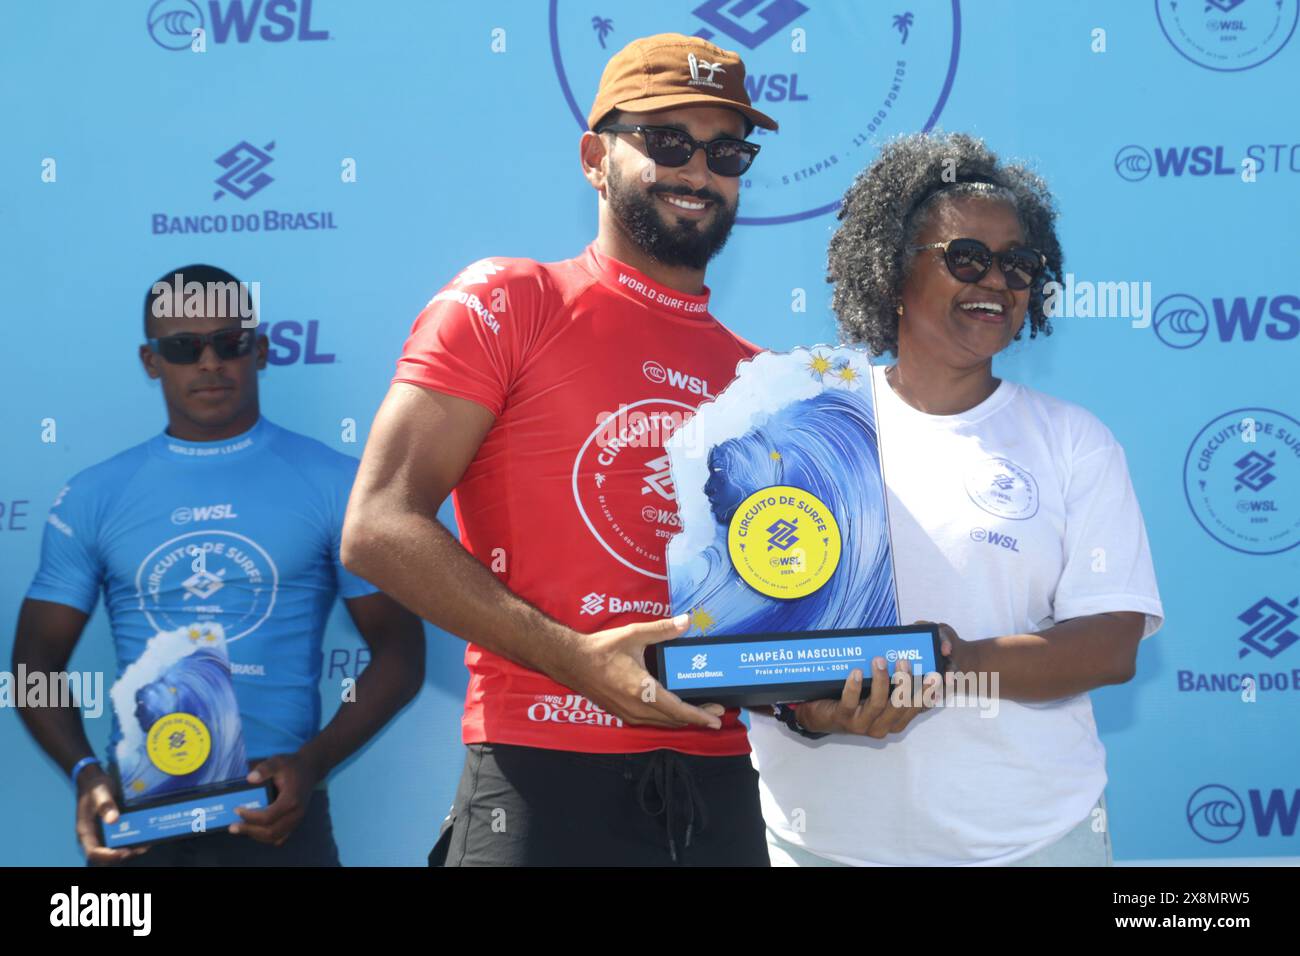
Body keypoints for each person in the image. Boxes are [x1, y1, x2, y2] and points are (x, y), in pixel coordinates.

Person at [343, 33, 813, 866]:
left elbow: (775, 603)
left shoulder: (763, 379)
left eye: (725, 151)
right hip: (539, 775)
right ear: (596, 157)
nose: (698, 171)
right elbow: (377, 524)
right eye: (666, 142)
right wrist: (579, 662)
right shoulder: (510, 300)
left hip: (722, 787)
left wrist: (827, 690)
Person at [751, 132, 1164, 866]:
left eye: (1019, 263)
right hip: (822, 843)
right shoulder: (796, 433)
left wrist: (951, 661)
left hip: (1032, 842)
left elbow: (1112, 642)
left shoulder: (1074, 441)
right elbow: (748, 640)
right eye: (966, 257)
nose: (996, 280)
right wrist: (807, 713)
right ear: (889, 275)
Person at [13, 264, 425, 866]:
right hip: (139, 823)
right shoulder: (93, 495)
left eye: (227, 343)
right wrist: (83, 773)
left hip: (277, 813)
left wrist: (311, 763)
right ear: (151, 361)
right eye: (183, 347)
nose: (208, 362)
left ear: (259, 350)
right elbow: (33, 662)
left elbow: (401, 652)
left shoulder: (335, 484)